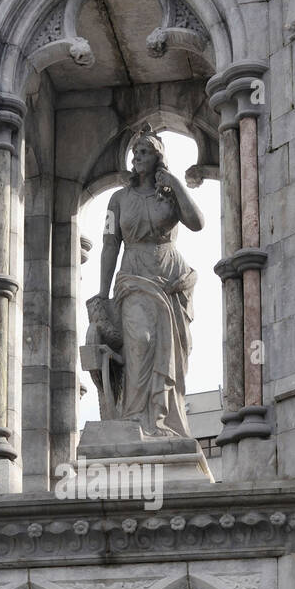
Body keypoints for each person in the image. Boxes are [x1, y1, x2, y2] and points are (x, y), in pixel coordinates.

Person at [93, 123, 205, 438]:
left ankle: (162, 420)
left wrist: (177, 187)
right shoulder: (117, 200)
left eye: (145, 152)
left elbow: (197, 223)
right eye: (135, 152)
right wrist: (103, 293)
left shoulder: (168, 195)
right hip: (132, 276)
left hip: (170, 278)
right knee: (140, 341)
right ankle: (134, 419)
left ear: (158, 158)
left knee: (168, 351)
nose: (138, 157)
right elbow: (109, 243)